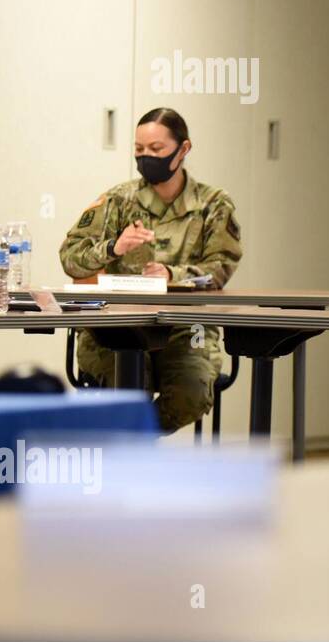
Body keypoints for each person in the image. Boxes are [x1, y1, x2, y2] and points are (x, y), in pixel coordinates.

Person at [60, 108, 243, 433]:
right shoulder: (118, 200)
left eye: (156, 150)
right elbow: (70, 259)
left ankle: (133, 444)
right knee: (130, 386)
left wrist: (173, 276)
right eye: (139, 150)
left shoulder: (213, 204)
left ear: (183, 149)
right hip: (116, 328)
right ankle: (131, 456)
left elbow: (221, 266)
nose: (146, 158)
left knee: (191, 393)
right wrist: (113, 248)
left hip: (187, 328)